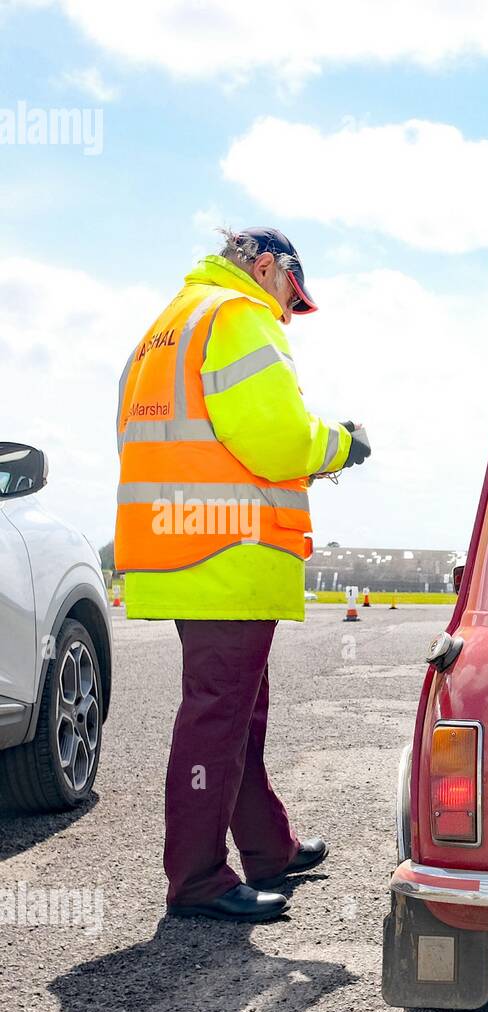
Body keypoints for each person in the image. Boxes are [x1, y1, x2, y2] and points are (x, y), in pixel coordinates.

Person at [114, 227, 372, 922]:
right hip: (227, 550)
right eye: (291, 294)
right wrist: (343, 443)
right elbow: (279, 439)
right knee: (219, 713)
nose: (289, 313)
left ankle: (269, 850)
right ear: (267, 268)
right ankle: (197, 881)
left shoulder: (165, 329)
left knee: (235, 710)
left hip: (176, 545)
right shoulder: (237, 315)